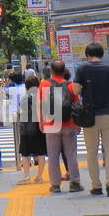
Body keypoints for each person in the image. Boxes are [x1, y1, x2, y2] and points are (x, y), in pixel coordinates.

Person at [71, 43, 109, 196]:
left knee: (91, 152)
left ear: (87, 54)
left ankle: (96, 186)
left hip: (89, 117)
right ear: (102, 54)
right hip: (108, 114)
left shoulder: (82, 69)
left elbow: (76, 90)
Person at [40, 61, 83, 194]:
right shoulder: (70, 86)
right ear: (64, 70)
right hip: (69, 123)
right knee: (71, 154)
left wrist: (41, 123)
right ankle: (75, 183)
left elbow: (41, 105)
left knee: (53, 155)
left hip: (52, 123)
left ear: (51, 71)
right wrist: (78, 124)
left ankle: (55, 185)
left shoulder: (44, 84)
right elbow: (77, 105)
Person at [17, 75, 47, 184]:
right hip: (39, 128)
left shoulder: (25, 97)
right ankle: (39, 176)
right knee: (41, 153)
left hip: (26, 129)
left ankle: (27, 176)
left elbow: (20, 112)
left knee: (25, 154)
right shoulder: (41, 96)